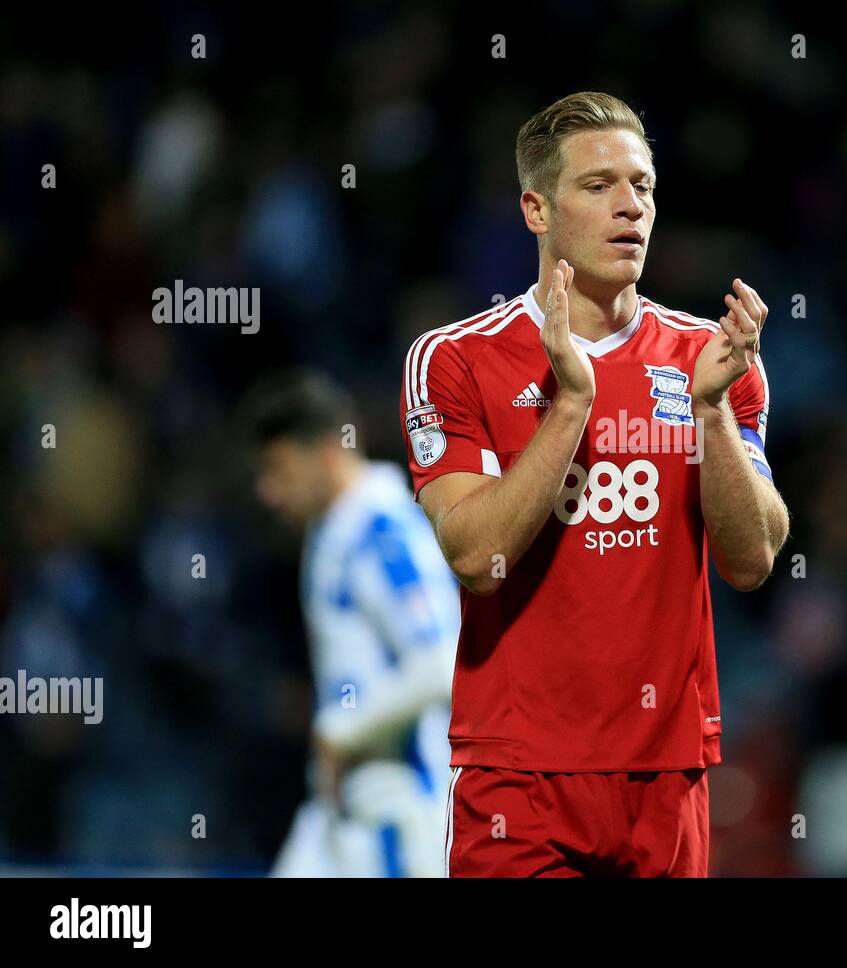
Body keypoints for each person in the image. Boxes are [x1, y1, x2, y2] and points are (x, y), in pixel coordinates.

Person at [401, 92, 790, 877]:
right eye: (600, 185)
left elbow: (751, 562)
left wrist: (712, 412)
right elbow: (477, 558)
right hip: (518, 776)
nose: (631, 208)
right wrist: (571, 402)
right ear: (536, 209)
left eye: (642, 186)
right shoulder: (455, 360)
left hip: (667, 772)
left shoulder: (709, 360)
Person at [243, 369, 460, 877]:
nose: (269, 491)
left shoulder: (384, 531)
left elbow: (442, 663)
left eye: (279, 469)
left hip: (396, 812)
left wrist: (343, 730)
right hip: (340, 810)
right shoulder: (332, 533)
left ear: (325, 450)